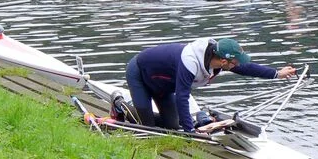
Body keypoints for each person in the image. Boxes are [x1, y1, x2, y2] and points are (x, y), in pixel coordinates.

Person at [121, 37, 297, 133]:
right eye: (235, 63)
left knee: (172, 126)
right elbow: (182, 97)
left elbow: (247, 68)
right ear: (224, 61)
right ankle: (121, 106)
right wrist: (190, 131)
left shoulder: (218, 59)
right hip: (139, 74)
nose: (237, 66)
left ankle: (143, 115)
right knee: (149, 130)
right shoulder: (190, 62)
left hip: (163, 85)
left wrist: (277, 73)